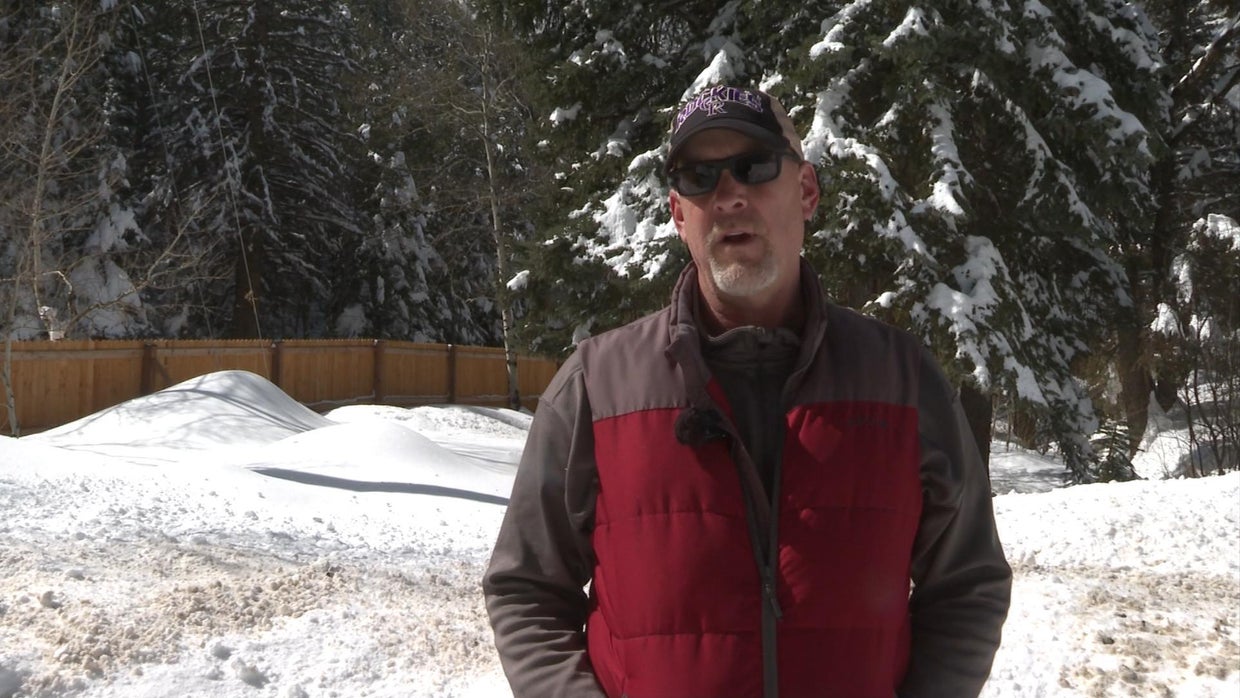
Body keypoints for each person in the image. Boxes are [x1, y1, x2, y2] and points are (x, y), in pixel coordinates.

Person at [483, 84, 1012, 698]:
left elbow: (967, 582)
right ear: (680, 214)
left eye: (754, 166)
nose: (729, 195)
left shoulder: (901, 379)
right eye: (699, 177)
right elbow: (526, 588)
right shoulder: (597, 385)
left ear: (806, 191)